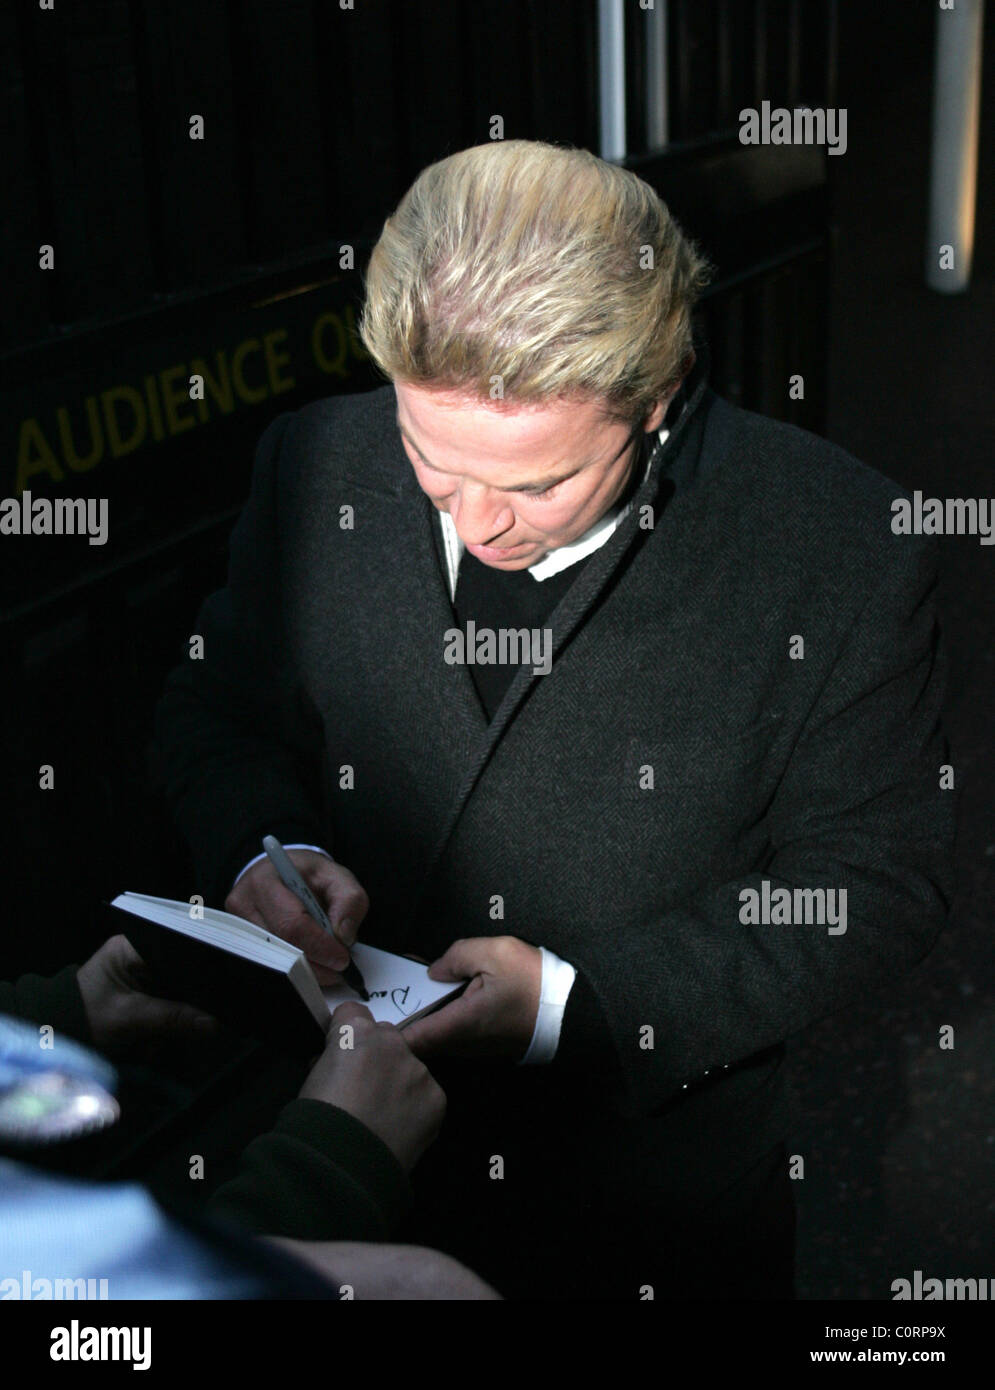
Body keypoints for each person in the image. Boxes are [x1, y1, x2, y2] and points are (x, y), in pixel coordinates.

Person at [151, 139, 957, 1300]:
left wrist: (580, 1006)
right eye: (430, 459)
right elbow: (212, 715)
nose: (483, 523)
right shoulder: (311, 462)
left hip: (646, 1216)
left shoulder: (836, 545)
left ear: (659, 395)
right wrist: (269, 848)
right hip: (343, 1167)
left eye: (537, 485)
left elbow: (878, 879)